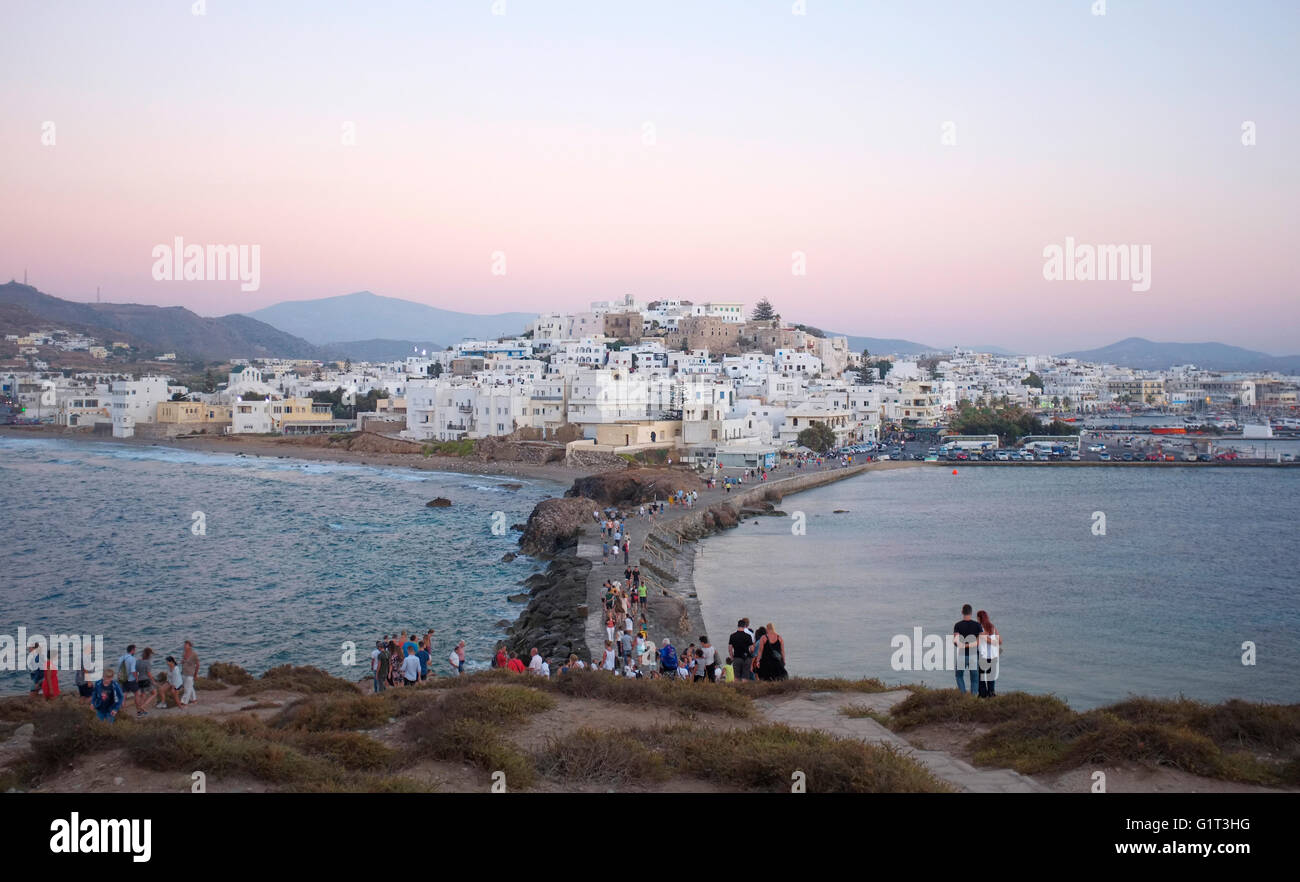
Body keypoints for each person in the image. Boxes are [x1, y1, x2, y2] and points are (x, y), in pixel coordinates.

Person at [952, 604, 982, 695]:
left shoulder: (957, 625)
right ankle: (973, 698)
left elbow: (956, 641)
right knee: (974, 679)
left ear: (962, 612)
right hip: (973, 655)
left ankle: (963, 694)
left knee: (959, 676)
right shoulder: (977, 625)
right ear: (971, 613)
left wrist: (962, 645)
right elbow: (979, 642)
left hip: (962, 655)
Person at [976, 610, 1002, 698]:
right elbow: (1000, 641)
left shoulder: (980, 628)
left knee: (982, 677)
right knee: (991, 676)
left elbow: (987, 640)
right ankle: (991, 693)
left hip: (984, 655)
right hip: (993, 655)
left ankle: (983, 695)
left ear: (979, 618)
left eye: (977, 617)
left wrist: (991, 640)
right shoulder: (993, 627)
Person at [134, 648, 157, 716]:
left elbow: (136, 672)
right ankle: (143, 706)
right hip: (146, 680)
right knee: (154, 693)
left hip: (139, 680)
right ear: (149, 655)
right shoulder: (148, 662)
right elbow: (149, 674)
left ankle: (139, 712)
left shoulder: (137, 661)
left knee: (143, 695)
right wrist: (153, 681)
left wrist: (137, 679)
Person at [180, 640, 200, 706]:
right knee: (190, 686)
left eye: (186, 645)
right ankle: (194, 699)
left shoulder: (194, 654)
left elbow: (198, 664)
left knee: (187, 689)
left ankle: (184, 702)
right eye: (184, 645)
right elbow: (184, 662)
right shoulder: (183, 653)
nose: (184, 646)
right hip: (183, 673)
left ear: (190, 646)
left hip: (190, 673)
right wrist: (182, 662)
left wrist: (195, 675)